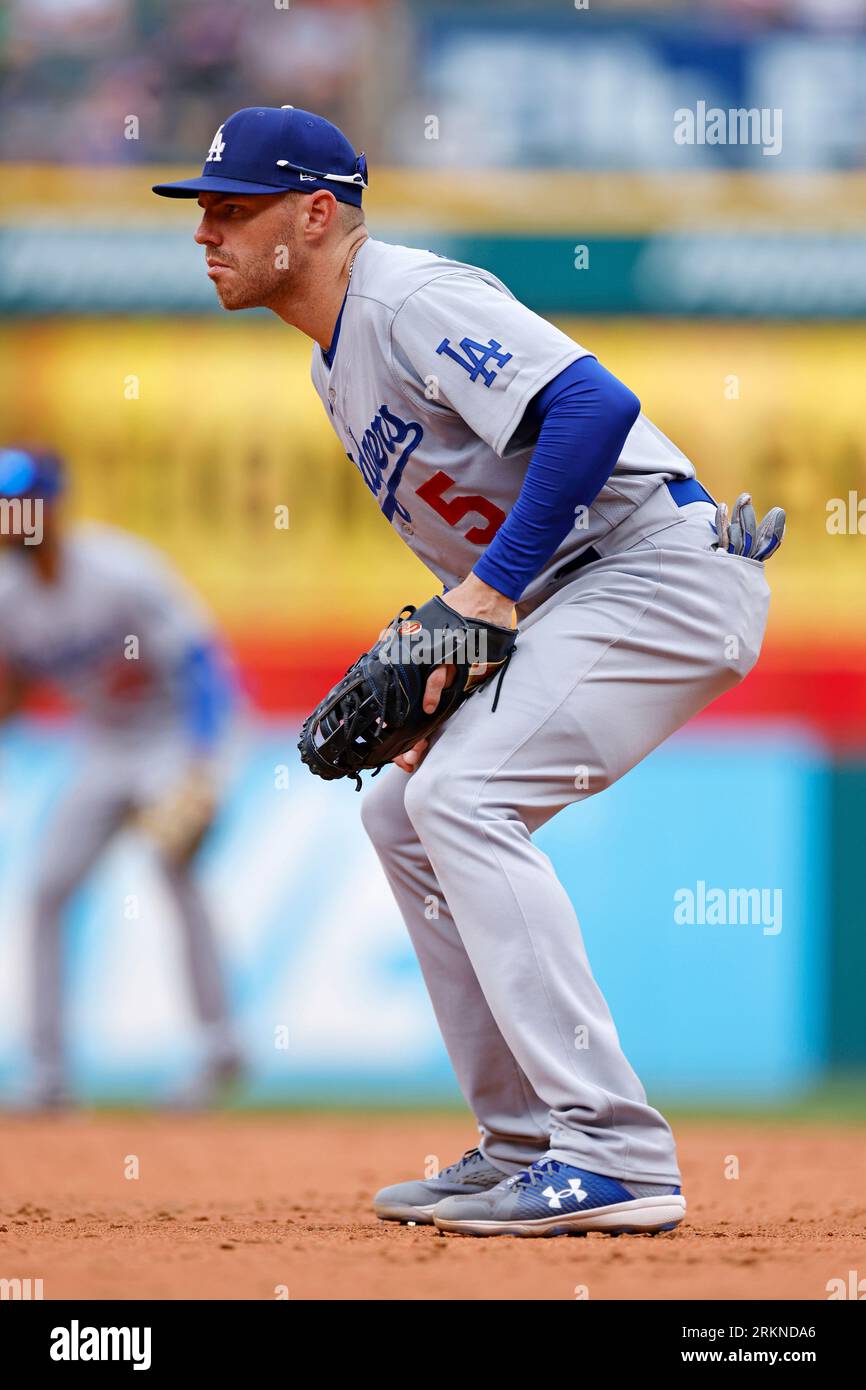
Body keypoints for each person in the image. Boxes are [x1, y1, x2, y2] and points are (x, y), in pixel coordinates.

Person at [152, 107, 783, 1237]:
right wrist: (452, 660)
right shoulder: (331, 365)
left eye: (233, 209)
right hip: (578, 594)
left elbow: (594, 407)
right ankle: (526, 1140)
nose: (209, 232)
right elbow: (480, 569)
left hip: (651, 571)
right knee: (401, 810)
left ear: (317, 212)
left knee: (462, 795)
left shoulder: (406, 299)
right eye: (203, 211)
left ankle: (614, 1149)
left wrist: (484, 602)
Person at [0, 447, 242, 1109]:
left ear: (50, 505)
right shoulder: (9, 594)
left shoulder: (118, 568)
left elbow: (200, 661)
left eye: (18, 502)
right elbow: (13, 691)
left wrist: (205, 765)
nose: (8, 518)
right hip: (103, 746)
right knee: (47, 889)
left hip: (170, 734)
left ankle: (220, 1047)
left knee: (174, 867)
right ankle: (47, 1076)